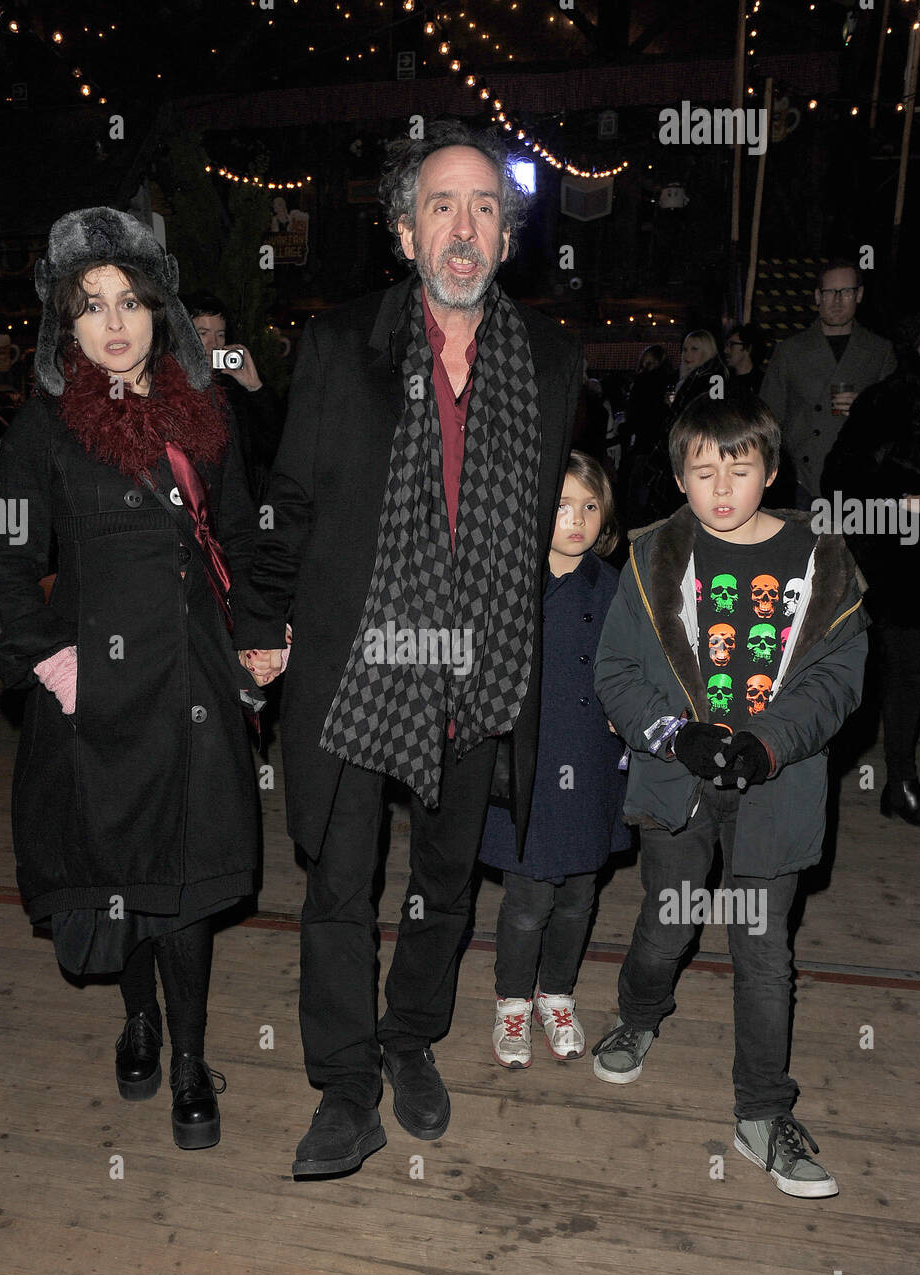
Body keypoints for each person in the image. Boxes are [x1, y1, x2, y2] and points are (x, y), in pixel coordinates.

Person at [236, 120, 584, 1178]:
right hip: (355, 663)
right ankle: (345, 1085)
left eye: (485, 207)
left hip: (476, 671)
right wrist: (261, 620)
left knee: (443, 880)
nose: (464, 227)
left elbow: (539, 527)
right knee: (340, 882)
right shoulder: (341, 345)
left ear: (508, 238)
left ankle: (409, 1037)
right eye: (441, 205)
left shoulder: (554, 363)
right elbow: (287, 501)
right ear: (403, 233)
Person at [0, 207, 261, 1150]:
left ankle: (187, 1057)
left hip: (191, 684)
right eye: (91, 306)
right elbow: (12, 560)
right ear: (67, 328)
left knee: (182, 888)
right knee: (122, 882)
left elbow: (245, 544)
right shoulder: (44, 430)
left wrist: (261, 645)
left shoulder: (207, 412)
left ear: (159, 310)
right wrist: (44, 661)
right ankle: (134, 1019)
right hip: (93, 697)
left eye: (130, 301)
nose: (113, 323)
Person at [592, 395, 868, 1199]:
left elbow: (840, 676)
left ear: (771, 472)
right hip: (680, 781)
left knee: (762, 949)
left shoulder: (821, 560)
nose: (721, 490)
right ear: (679, 478)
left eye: (739, 471)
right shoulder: (650, 558)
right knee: (666, 919)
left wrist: (769, 740)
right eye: (703, 472)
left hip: (775, 786)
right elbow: (614, 672)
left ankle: (759, 1112)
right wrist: (675, 733)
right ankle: (640, 1016)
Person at [478, 452, 629, 1067]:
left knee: (578, 894)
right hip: (531, 765)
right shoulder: (506, 581)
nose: (576, 520)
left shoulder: (613, 586)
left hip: (592, 761)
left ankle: (556, 993)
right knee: (528, 898)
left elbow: (630, 664)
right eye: (562, 506)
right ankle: (511, 1002)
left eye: (590, 507)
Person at [821, 298, 920, 826]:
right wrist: (911, 504)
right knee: (882, 679)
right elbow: (838, 492)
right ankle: (875, 785)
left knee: (916, 674)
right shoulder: (888, 402)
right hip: (896, 570)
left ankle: (901, 782)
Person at [760, 258, 896, 504]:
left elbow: (897, 421)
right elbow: (767, 419)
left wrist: (866, 406)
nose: (837, 300)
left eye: (846, 291)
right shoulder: (789, 351)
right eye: (830, 292)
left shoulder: (880, 351)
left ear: (859, 294)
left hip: (858, 483)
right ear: (817, 296)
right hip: (800, 483)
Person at [184, 292, 282, 503]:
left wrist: (255, 388)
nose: (213, 344)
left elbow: (274, 446)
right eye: (203, 333)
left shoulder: (234, 387)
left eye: (220, 334)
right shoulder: (167, 384)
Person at [628, 331, 728, 527]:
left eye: (694, 349)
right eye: (684, 349)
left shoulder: (712, 376)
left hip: (693, 451)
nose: (687, 354)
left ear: (707, 351)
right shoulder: (691, 377)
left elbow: (713, 413)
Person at [725, 323, 767, 400]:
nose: (726, 350)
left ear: (748, 347)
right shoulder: (725, 381)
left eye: (732, 345)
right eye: (726, 345)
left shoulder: (763, 382)